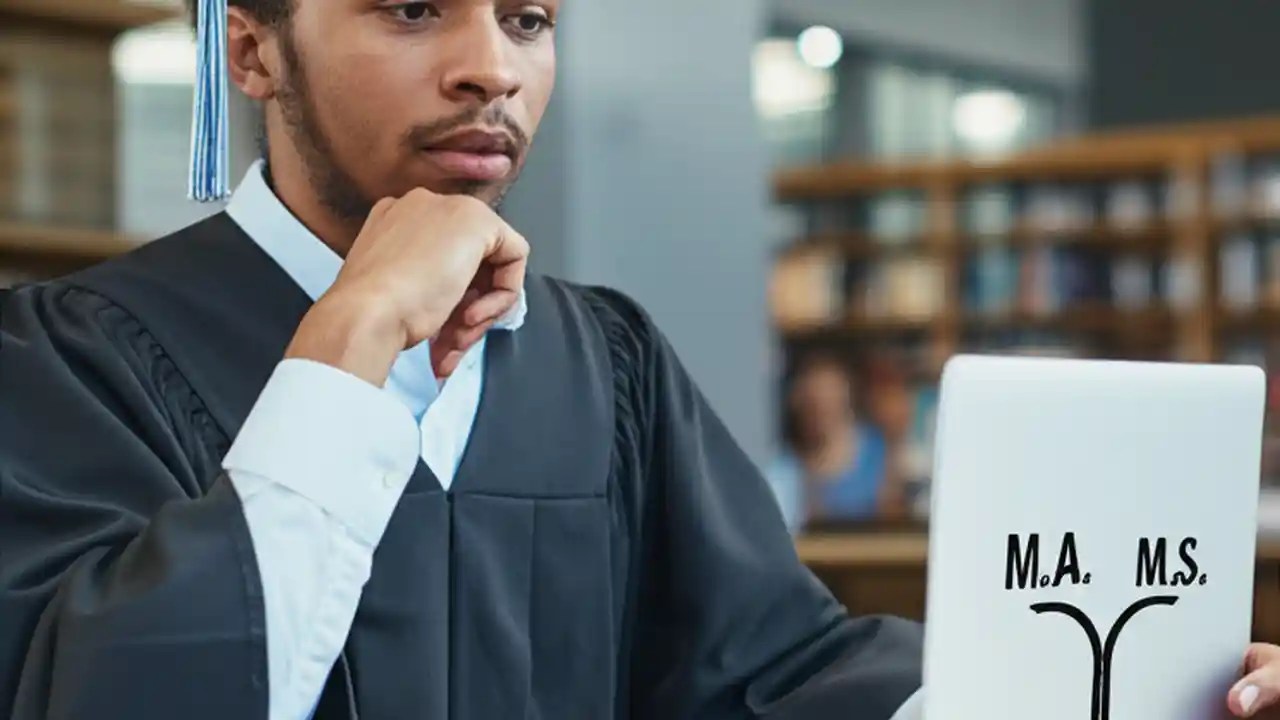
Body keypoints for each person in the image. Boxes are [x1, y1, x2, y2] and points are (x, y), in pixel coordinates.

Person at [0, 1, 926, 719]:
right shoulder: (69, 359)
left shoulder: (609, 367)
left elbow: (775, 676)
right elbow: (109, 687)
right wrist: (353, 334)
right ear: (252, 52)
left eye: (527, 21)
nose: (491, 70)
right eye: (411, 10)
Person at [767, 355, 907, 532]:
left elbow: (893, 520)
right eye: (812, 402)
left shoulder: (881, 454)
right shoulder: (785, 467)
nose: (821, 409)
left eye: (828, 397)